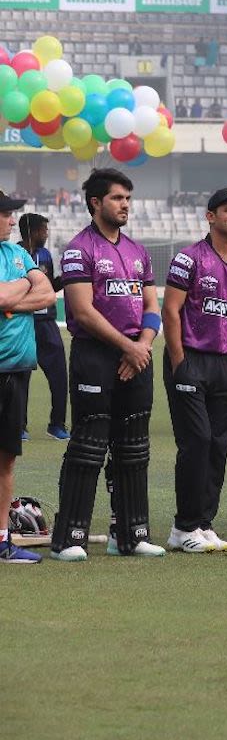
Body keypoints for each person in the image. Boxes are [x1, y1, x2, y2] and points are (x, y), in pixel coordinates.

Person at [50, 169, 166, 560]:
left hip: (137, 355)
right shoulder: (79, 249)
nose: (126, 206)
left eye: (129, 199)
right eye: (118, 198)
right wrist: (127, 348)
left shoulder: (137, 250)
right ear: (97, 202)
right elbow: (81, 312)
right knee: (89, 445)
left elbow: (152, 306)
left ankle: (130, 535)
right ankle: (70, 538)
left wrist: (143, 346)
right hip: (95, 357)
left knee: (133, 448)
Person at [162, 187, 227, 552]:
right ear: (210, 216)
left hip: (225, 366)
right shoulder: (189, 258)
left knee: (217, 446)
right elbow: (171, 310)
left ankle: (204, 523)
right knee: (196, 442)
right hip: (191, 362)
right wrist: (179, 361)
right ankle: (183, 528)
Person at [0, 192, 57, 564]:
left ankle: (2, 540)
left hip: (17, 372)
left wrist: (10, 300)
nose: (10, 221)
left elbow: (48, 293)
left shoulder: (16, 254)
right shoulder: (19, 259)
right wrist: (20, 289)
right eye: (5, 214)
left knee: (6, 460)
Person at [17, 213, 67, 440]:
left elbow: (49, 288)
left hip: (47, 323)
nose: (46, 234)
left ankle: (56, 425)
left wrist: (64, 278)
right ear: (34, 231)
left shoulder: (46, 255)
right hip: (24, 322)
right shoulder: (15, 254)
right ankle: (19, 427)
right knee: (20, 377)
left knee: (59, 375)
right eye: (44, 230)